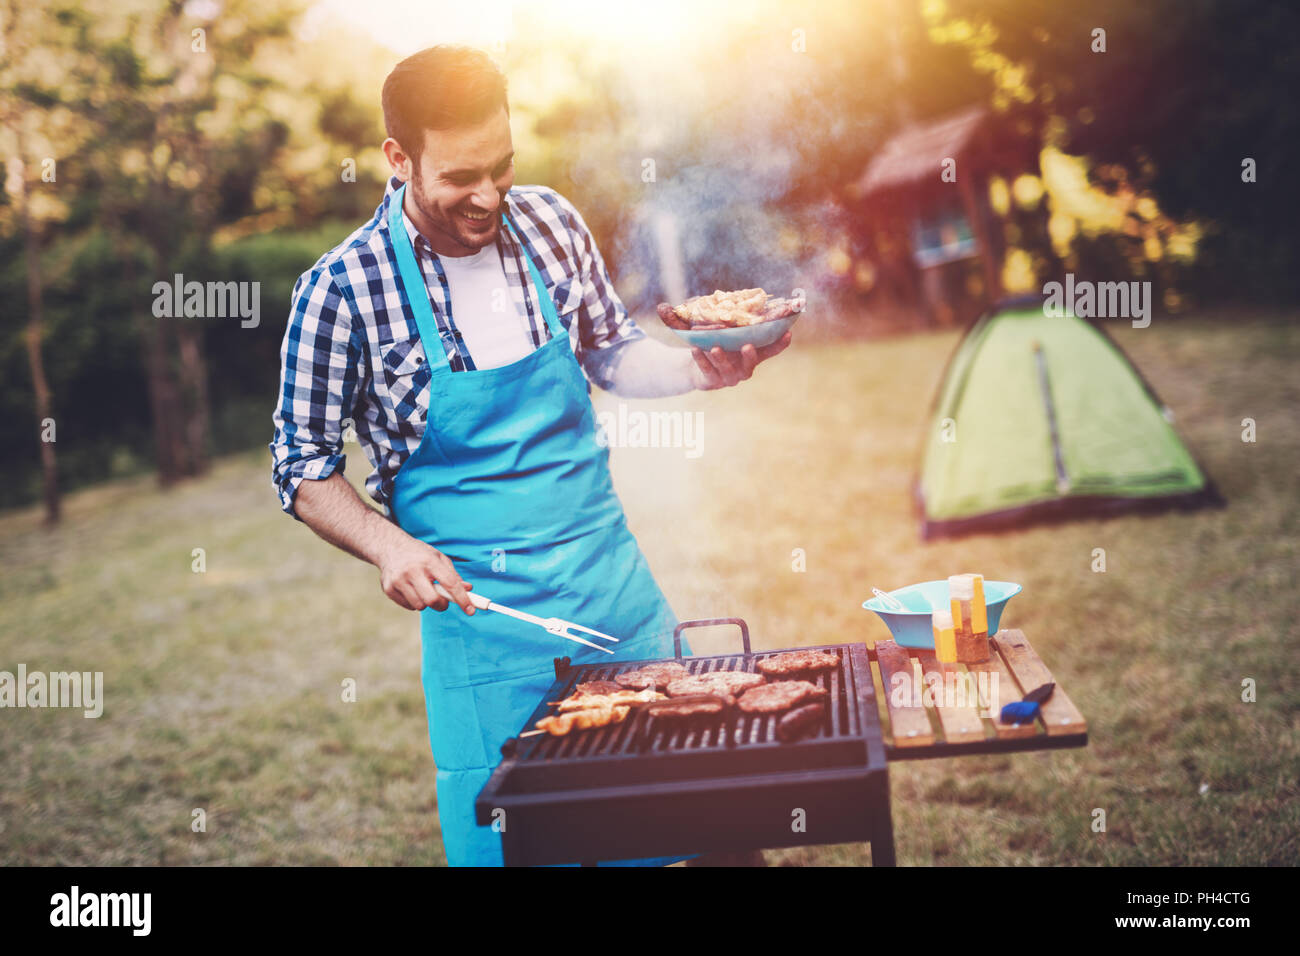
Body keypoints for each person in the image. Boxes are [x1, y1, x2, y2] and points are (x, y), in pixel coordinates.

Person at [269, 45, 789, 866]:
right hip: (485, 636)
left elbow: (613, 353)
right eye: (461, 176)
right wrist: (388, 545)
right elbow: (299, 462)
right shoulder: (340, 291)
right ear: (398, 159)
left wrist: (698, 367)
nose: (488, 197)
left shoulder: (549, 222)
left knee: (695, 833)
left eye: (502, 166)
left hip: (615, 599)